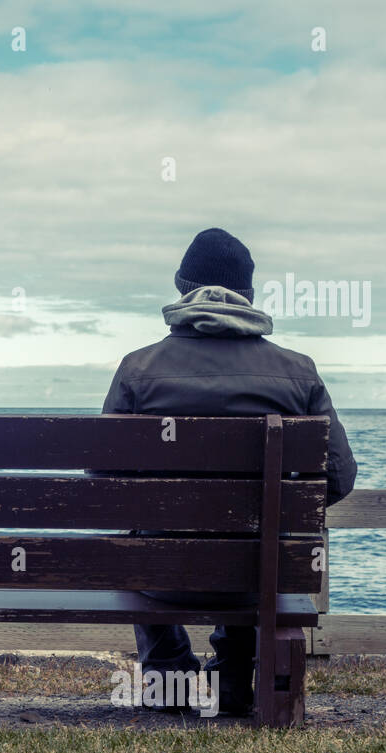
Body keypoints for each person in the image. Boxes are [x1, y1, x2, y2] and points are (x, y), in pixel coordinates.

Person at [102, 228, 357, 715]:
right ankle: (234, 680)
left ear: (180, 285)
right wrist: (274, 513)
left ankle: (170, 678)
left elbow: (103, 478)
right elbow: (339, 478)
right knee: (256, 550)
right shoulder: (299, 373)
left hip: (162, 572)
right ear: (251, 296)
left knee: (136, 542)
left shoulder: (138, 370)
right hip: (258, 572)